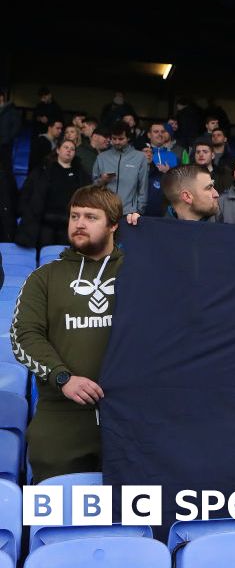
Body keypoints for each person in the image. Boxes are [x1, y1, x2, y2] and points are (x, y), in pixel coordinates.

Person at [11, 185, 124, 482]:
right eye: (75, 216)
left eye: (90, 216)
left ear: (113, 224)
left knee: (130, 527)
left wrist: (147, 232)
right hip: (61, 421)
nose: (79, 223)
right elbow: (24, 335)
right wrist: (63, 377)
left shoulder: (139, 270)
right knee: (58, 526)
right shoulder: (44, 277)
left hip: (129, 420)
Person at [16, 139, 91, 248]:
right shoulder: (43, 169)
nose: (69, 151)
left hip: (68, 222)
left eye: (72, 149)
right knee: (44, 254)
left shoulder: (81, 174)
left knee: (63, 257)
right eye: (66, 147)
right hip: (45, 221)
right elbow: (28, 192)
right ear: (58, 150)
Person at [92, 121, 146, 221]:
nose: (117, 142)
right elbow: (93, 186)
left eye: (121, 139)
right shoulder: (102, 157)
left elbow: (143, 186)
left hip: (130, 213)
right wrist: (102, 180)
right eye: (114, 139)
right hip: (105, 210)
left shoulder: (140, 157)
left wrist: (139, 211)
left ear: (128, 138)